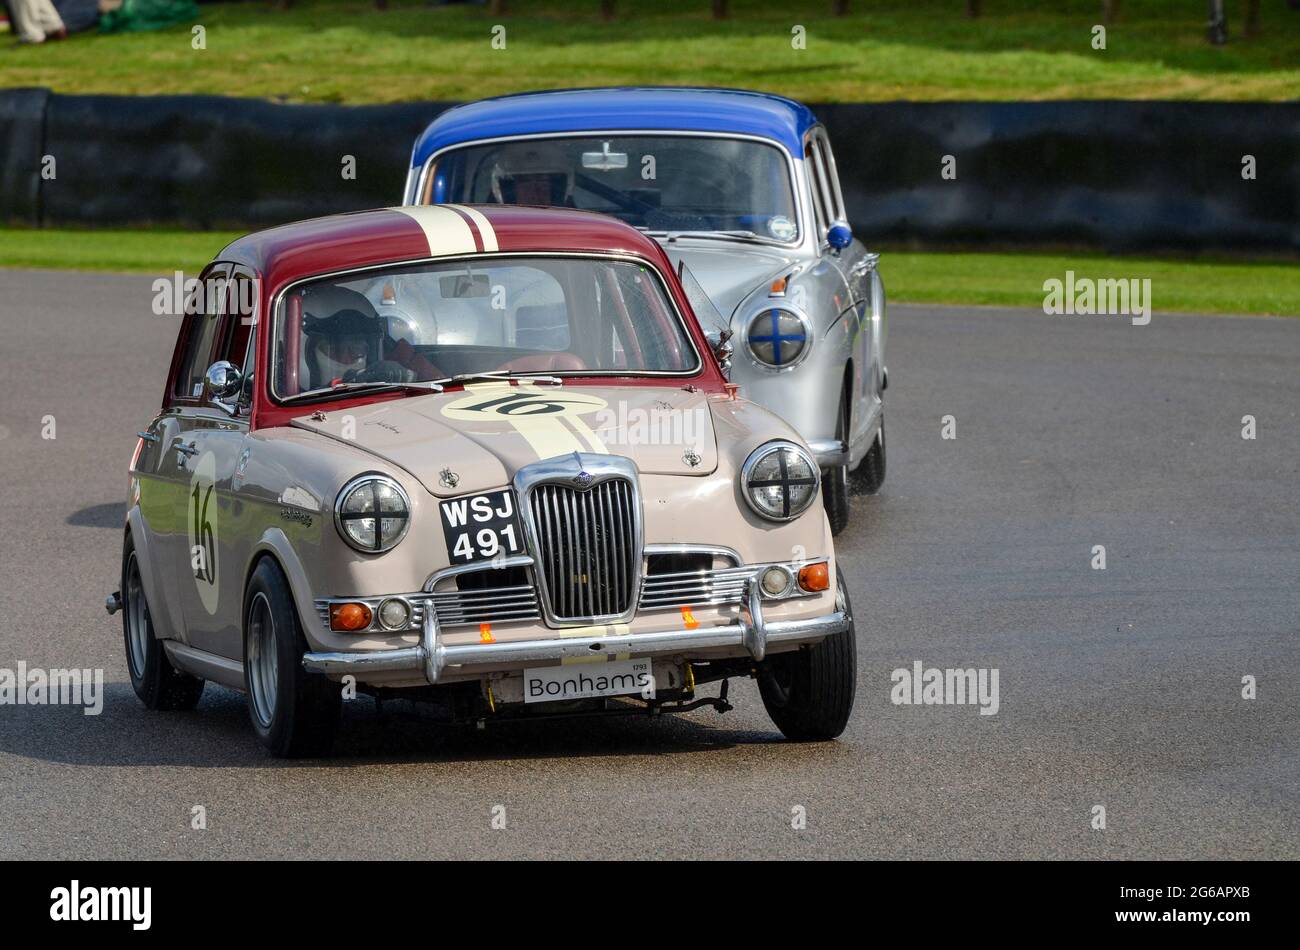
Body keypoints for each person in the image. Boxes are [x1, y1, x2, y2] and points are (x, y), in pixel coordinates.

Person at [299, 286, 439, 389]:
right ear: (304, 352)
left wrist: (404, 376)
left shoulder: (395, 369)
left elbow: (438, 385)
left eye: (358, 349)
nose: (349, 358)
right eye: (337, 350)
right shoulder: (283, 404)